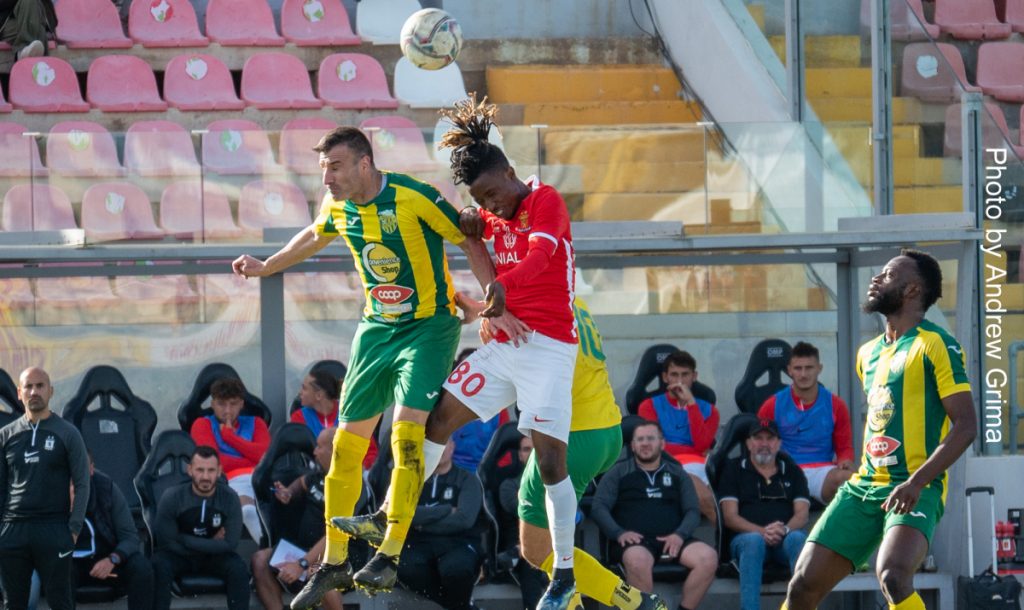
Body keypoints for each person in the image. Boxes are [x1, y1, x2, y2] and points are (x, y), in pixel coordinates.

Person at [232, 125, 500, 608]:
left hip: (427, 326)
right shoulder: (337, 205)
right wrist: (268, 266)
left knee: (404, 432)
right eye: (322, 169)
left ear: (363, 163)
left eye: (334, 167)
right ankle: (333, 563)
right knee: (345, 448)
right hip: (376, 330)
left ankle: (390, 551)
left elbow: (468, 238)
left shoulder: (413, 197)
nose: (327, 178)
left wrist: (492, 295)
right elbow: (315, 233)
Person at [334, 95, 579, 608]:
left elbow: (539, 258)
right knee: (434, 423)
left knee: (552, 462)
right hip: (504, 345)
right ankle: (388, 517)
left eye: (494, 193)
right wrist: (473, 232)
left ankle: (564, 573)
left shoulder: (546, 201)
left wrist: (498, 291)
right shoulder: (489, 213)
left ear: (511, 172)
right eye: (482, 199)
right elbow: (472, 236)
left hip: (549, 348)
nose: (491, 206)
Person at [784, 249, 977, 610]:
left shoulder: (935, 344)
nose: (876, 279)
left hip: (916, 484)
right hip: (864, 486)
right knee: (802, 586)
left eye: (888, 274)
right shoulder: (867, 353)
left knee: (893, 575)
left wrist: (917, 481)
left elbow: (967, 426)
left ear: (912, 290)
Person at [592, 420, 718, 610]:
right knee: (638, 561)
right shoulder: (618, 472)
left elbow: (692, 510)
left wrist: (680, 534)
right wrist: (618, 533)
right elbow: (599, 507)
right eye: (640, 439)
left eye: (651, 438)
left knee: (708, 558)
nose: (645, 443)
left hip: (674, 540)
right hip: (635, 543)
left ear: (662, 443)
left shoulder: (678, 473)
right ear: (632, 445)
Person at [0, 367, 90, 610]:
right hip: (12, 530)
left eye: (40, 386)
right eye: (28, 387)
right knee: (13, 603)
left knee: (61, 601)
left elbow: (82, 483)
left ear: (51, 391)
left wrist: (73, 528)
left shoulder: (68, 433)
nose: (34, 391)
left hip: (54, 528)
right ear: (19, 393)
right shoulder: (5, 435)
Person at [718, 419, 809, 610]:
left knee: (798, 538)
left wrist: (784, 529)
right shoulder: (733, 470)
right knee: (754, 541)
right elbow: (729, 516)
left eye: (770, 438)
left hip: (784, 540)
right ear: (749, 443)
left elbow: (802, 515)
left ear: (779, 443)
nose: (764, 443)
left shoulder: (793, 471)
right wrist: (762, 532)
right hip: (745, 542)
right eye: (758, 438)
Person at [252, 427, 343, 610]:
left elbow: (336, 535)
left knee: (320, 576)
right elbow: (296, 488)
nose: (314, 451)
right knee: (260, 560)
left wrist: (301, 564)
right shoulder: (316, 477)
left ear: (335, 450)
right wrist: (286, 494)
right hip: (305, 553)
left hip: (338, 559)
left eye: (319, 447)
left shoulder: (351, 485)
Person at [152, 445, 249, 610]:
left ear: (219, 471)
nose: (205, 476)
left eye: (211, 470)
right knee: (158, 564)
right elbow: (166, 542)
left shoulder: (230, 498)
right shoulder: (172, 497)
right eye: (200, 470)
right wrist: (211, 543)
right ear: (190, 470)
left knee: (238, 568)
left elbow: (230, 544)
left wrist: (184, 538)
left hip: (213, 558)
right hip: (179, 557)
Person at [757, 341, 855, 504]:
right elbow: (759, 443)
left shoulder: (836, 405)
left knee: (851, 479)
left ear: (819, 368)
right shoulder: (772, 405)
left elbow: (844, 447)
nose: (803, 374)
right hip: (785, 471)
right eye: (798, 368)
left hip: (823, 473)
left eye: (809, 368)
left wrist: (845, 460)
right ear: (789, 370)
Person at [397, 439, 484, 610]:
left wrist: (422, 523)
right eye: (434, 445)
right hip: (418, 543)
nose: (440, 450)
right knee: (406, 568)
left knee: (457, 569)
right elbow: (403, 515)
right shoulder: (412, 480)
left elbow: (464, 520)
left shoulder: (467, 479)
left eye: (444, 444)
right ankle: (460, 607)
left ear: (452, 447)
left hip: (457, 542)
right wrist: (445, 510)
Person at [637, 350, 719, 525]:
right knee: (704, 497)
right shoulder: (649, 406)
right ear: (665, 377)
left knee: (727, 497)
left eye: (685, 375)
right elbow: (654, 447)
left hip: (704, 466)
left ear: (694, 376)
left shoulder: (710, 410)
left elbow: (703, 443)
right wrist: (693, 450)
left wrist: (691, 404)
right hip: (667, 465)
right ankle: (727, 539)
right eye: (674, 375)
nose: (680, 381)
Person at [189, 377, 269, 543]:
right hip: (228, 481)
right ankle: (276, 558)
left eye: (233, 404)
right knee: (247, 509)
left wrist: (230, 437)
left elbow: (266, 457)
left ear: (241, 404)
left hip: (262, 478)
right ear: (212, 404)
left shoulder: (257, 423)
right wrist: (251, 457)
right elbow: (212, 463)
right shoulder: (202, 424)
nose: (227, 411)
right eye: (221, 404)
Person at [72, 451, 155, 610]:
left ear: (91, 469)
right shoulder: (52, 492)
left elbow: (130, 536)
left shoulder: (106, 488)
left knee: (141, 567)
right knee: (60, 571)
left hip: (107, 559)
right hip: (71, 563)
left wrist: (113, 559)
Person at [290, 371, 379, 470]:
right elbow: (296, 456)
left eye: (304, 388)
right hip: (314, 475)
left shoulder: (351, 415)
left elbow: (371, 452)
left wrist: (359, 469)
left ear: (319, 395)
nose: (300, 392)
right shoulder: (298, 418)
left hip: (353, 475)